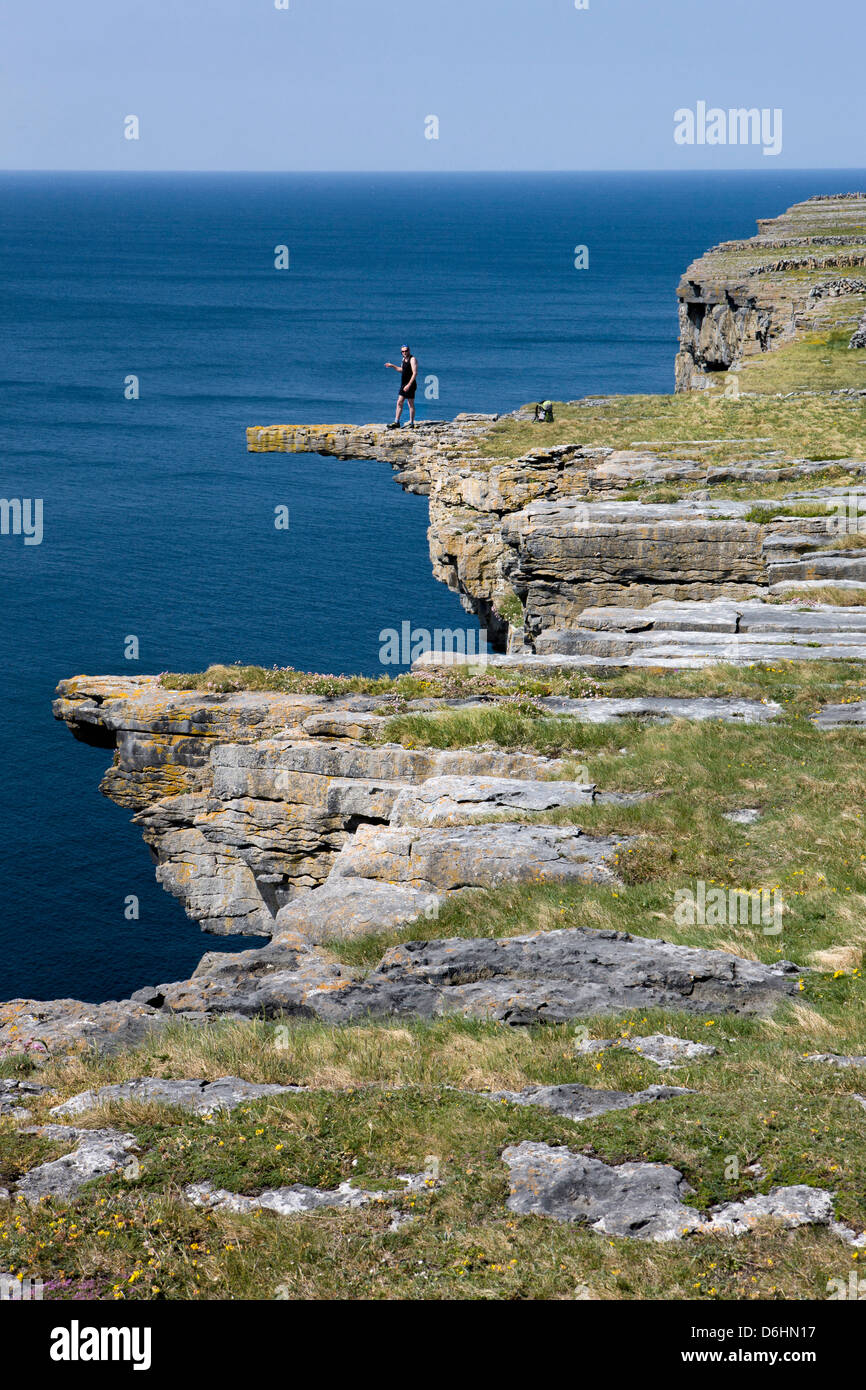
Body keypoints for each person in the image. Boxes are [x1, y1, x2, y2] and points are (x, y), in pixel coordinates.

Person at [385, 344, 418, 428]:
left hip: (410, 384)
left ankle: (411, 423)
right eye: (402, 351)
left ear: (409, 350)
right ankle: (396, 422)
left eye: (406, 351)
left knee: (410, 403)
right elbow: (402, 370)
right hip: (403, 384)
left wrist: (409, 385)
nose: (404, 352)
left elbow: (415, 373)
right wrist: (392, 366)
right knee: (399, 402)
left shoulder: (412, 359)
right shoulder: (403, 359)